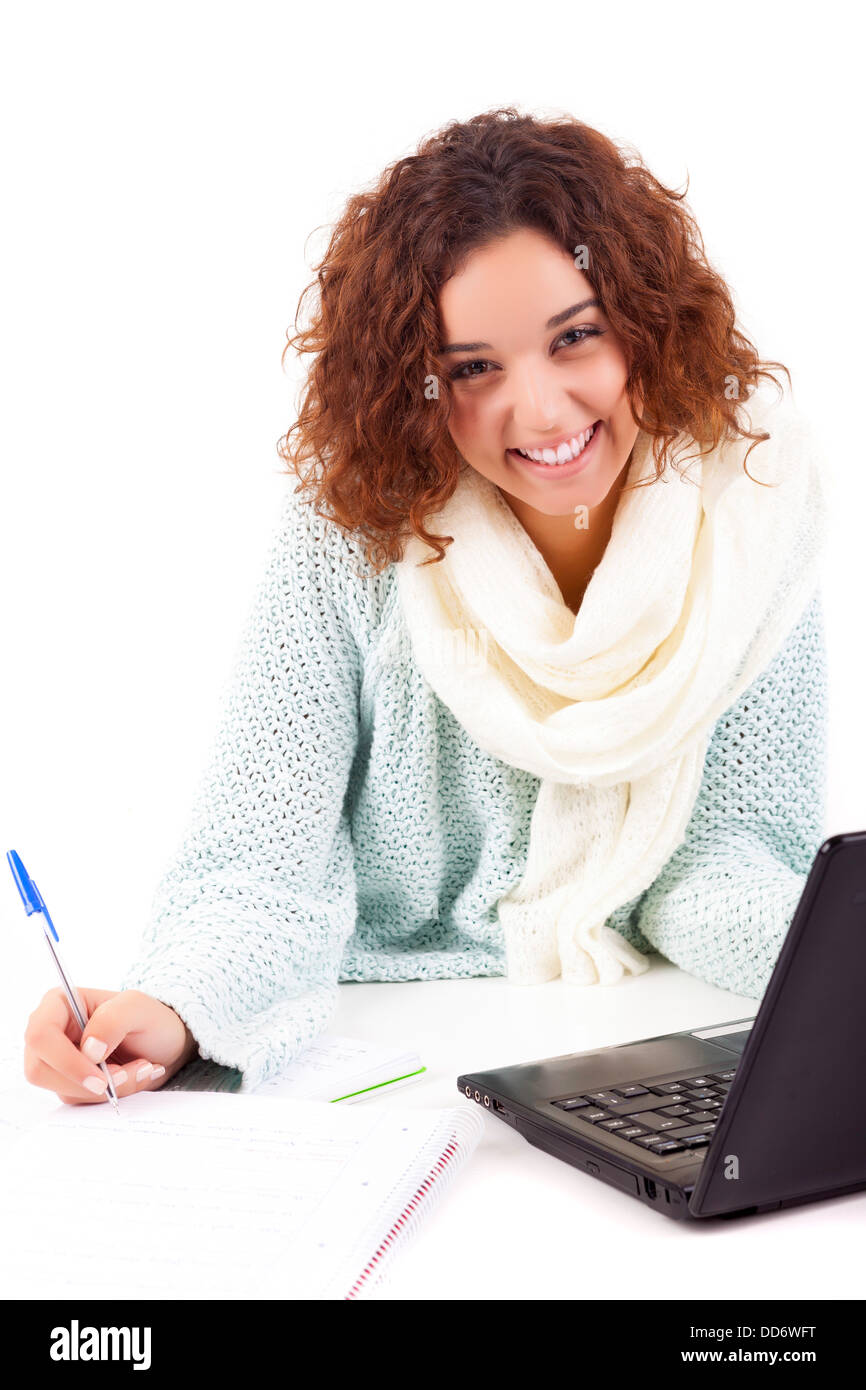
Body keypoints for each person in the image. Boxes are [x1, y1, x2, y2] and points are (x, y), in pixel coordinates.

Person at [23, 107, 829, 1107]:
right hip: (396, 1055)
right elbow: (258, 860)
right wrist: (178, 1006)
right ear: (417, 382)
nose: (538, 411)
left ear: (645, 323)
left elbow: (726, 863)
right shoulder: (352, 534)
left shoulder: (750, 514)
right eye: (473, 369)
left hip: (642, 1042)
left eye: (574, 338)